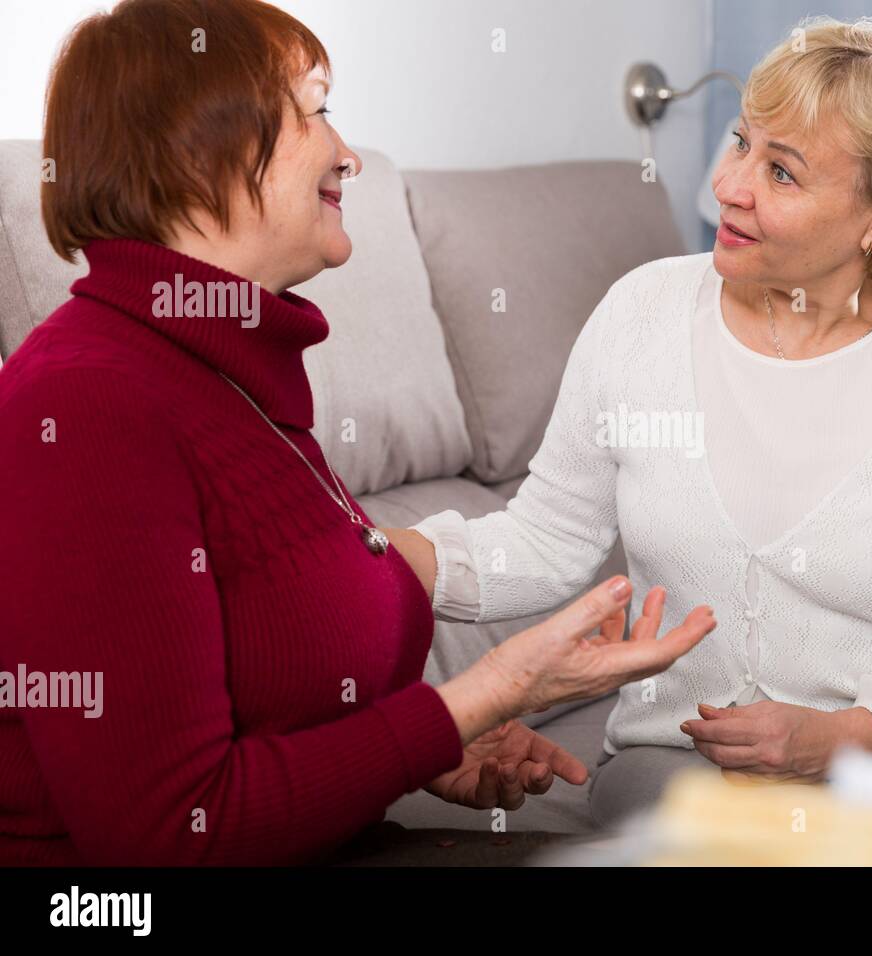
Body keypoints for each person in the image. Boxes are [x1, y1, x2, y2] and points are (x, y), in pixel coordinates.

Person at [0, 0, 715, 865]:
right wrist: (482, 696)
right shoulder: (87, 408)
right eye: (316, 109)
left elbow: (272, 676)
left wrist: (416, 754)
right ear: (197, 151)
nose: (347, 154)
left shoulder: (232, 369)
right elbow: (166, 833)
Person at [393, 16, 872, 827]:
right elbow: (548, 540)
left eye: (781, 172)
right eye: (742, 143)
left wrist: (857, 736)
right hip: (681, 767)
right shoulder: (641, 312)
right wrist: (373, 556)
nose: (730, 185)